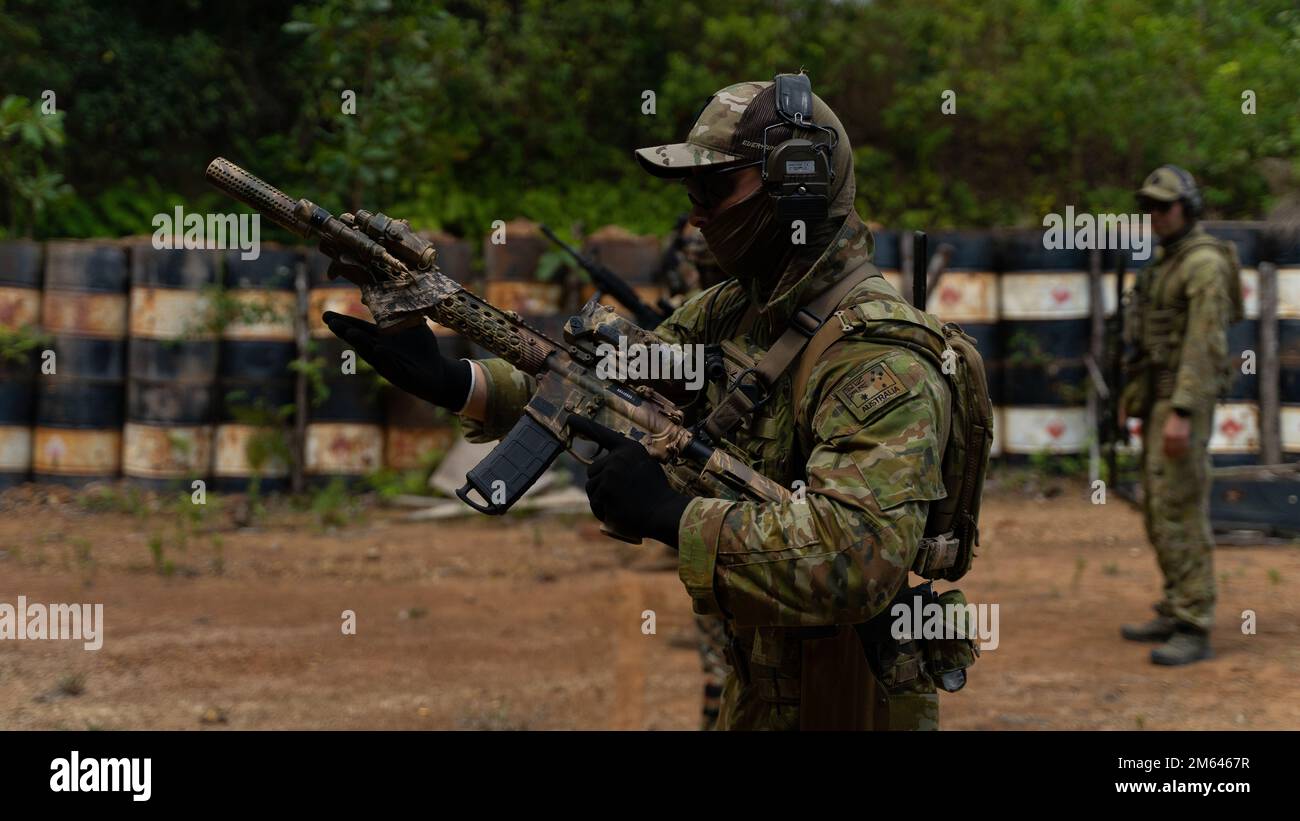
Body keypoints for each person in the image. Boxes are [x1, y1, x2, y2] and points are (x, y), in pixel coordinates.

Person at [326, 77, 956, 729]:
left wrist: (671, 515)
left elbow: (858, 558)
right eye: (692, 194)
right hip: (761, 686)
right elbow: (608, 388)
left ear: (797, 191)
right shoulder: (733, 311)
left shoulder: (877, 353)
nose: (698, 215)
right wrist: (453, 380)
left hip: (847, 702)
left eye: (714, 191)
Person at [1120, 165, 1243, 666]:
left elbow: (1204, 344)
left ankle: (1195, 621)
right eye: (1149, 207)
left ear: (1188, 208)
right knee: (1157, 505)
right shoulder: (1167, 263)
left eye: (1164, 206)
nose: (1155, 216)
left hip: (1181, 402)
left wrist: (1183, 412)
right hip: (1158, 399)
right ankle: (1176, 604)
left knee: (1180, 505)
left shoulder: (1203, 264)